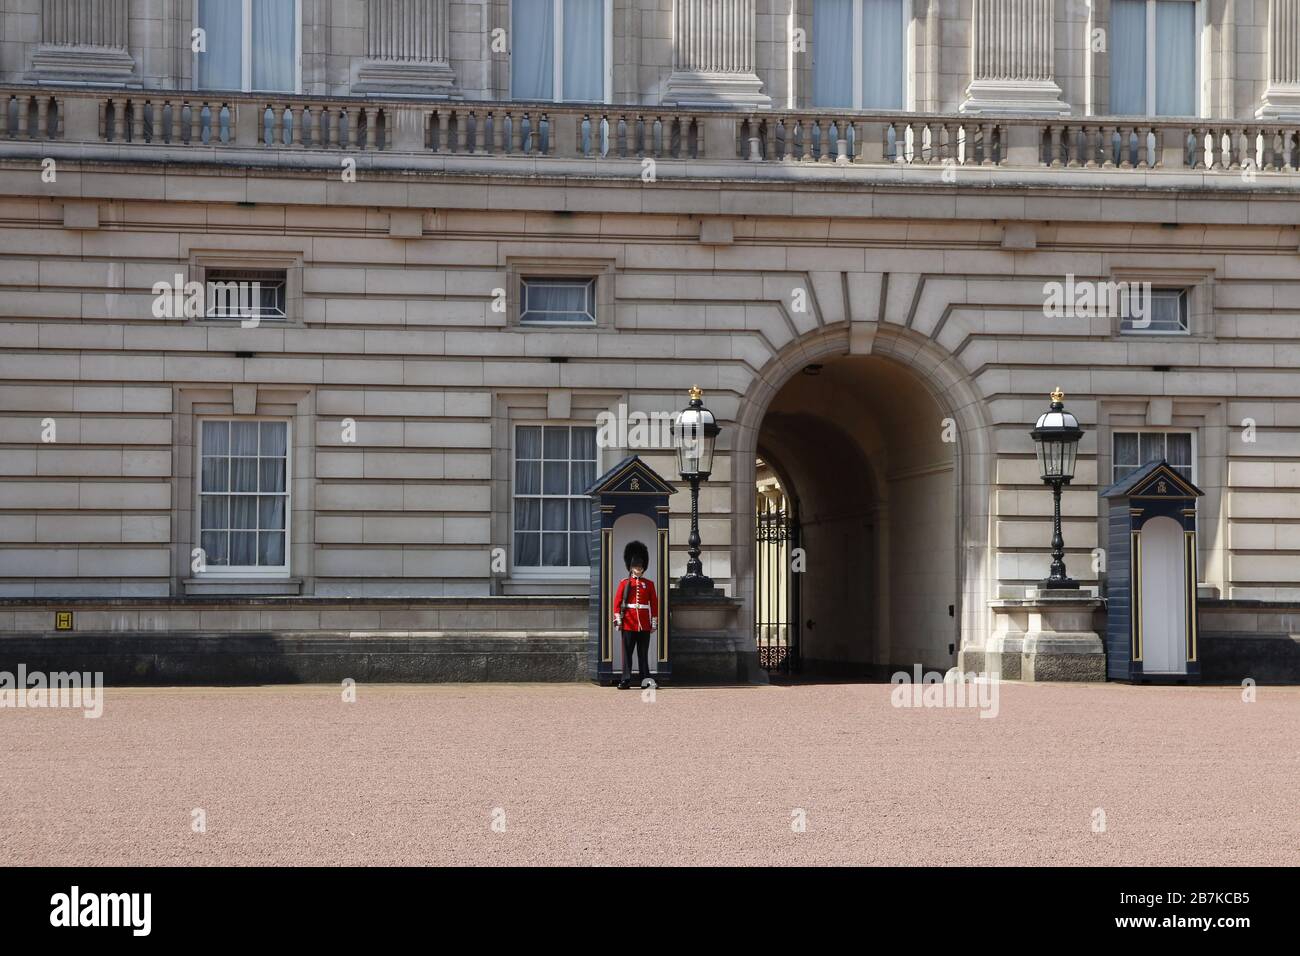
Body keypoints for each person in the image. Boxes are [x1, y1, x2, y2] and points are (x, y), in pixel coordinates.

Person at [612, 540, 658, 689]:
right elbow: (617, 603)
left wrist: (654, 622)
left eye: (640, 567)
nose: (638, 569)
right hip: (629, 623)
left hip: (644, 624)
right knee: (627, 654)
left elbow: (654, 604)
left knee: (643, 654)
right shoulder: (625, 583)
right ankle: (626, 679)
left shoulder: (649, 584)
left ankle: (646, 680)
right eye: (636, 567)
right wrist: (618, 620)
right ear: (631, 568)